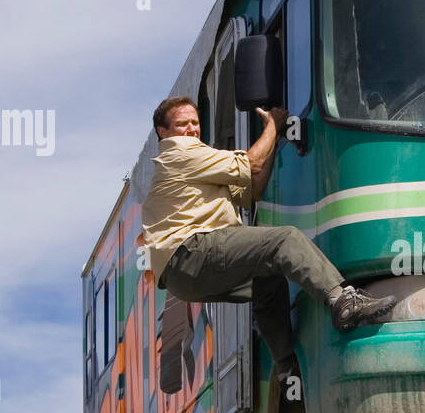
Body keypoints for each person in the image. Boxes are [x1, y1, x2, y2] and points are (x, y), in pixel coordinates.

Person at [141, 96, 396, 379]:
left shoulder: (196, 163)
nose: (191, 129)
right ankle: (343, 301)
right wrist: (273, 126)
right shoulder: (180, 152)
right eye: (181, 124)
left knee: (268, 280)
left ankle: (286, 366)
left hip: (183, 278)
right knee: (284, 239)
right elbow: (252, 164)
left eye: (195, 122)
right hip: (190, 252)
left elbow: (252, 191)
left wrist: (271, 140)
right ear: (163, 133)